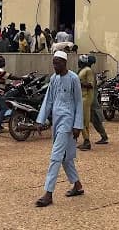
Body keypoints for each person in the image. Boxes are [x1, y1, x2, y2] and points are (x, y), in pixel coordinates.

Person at [35, 51, 85, 207]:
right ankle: (77, 185)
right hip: (56, 121)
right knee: (65, 157)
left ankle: (48, 193)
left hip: (68, 122)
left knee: (56, 156)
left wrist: (78, 125)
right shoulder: (54, 79)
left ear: (65, 63)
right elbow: (48, 100)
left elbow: (78, 102)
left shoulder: (73, 78)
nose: (55, 66)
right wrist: (40, 120)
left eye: (57, 63)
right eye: (53, 63)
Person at [77, 55, 97, 150]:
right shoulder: (82, 70)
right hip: (81, 97)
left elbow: (90, 84)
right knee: (80, 119)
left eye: (79, 61)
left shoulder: (88, 70)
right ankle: (84, 139)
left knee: (83, 120)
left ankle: (87, 141)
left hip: (86, 98)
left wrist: (78, 83)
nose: (78, 63)